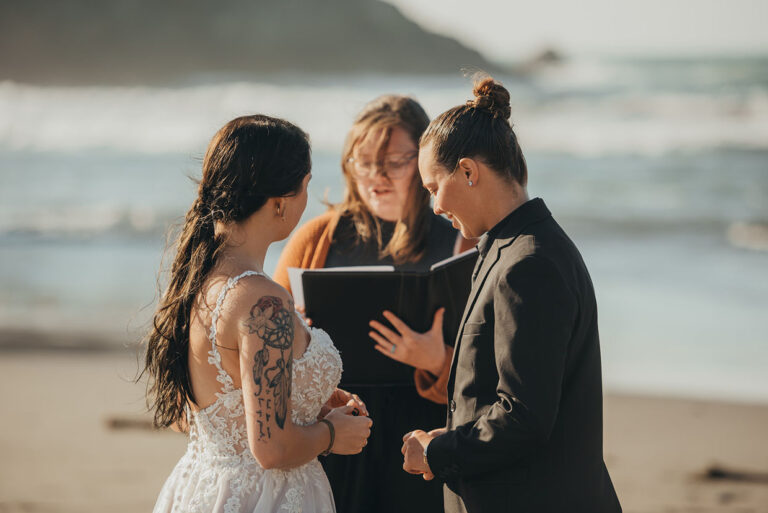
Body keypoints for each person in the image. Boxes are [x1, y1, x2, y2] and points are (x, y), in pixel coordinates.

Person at [399, 77, 622, 512]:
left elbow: (523, 417)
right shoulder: (508, 247)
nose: (434, 206)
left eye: (432, 188)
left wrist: (436, 453)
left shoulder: (529, 264)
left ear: (468, 171)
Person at [142, 114, 373, 513]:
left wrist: (305, 400)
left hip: (203, 484)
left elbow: (199, 411)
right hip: (264, 497)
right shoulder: (264, 302)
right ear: (280, 203)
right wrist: (332, 433)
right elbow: (272, 448)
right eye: (306, 186)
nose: (307, 199)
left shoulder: (195, 280)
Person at [274, 95, 474, 513]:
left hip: (422, 436)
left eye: (393, 163)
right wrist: (298, 334)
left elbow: (492, 366)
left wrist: (439, 360)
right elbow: (267, 337)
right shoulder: (318, 238)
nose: (375, 176)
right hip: (337, 428)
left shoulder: (459, 240)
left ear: (423, 162)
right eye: (362, 162)